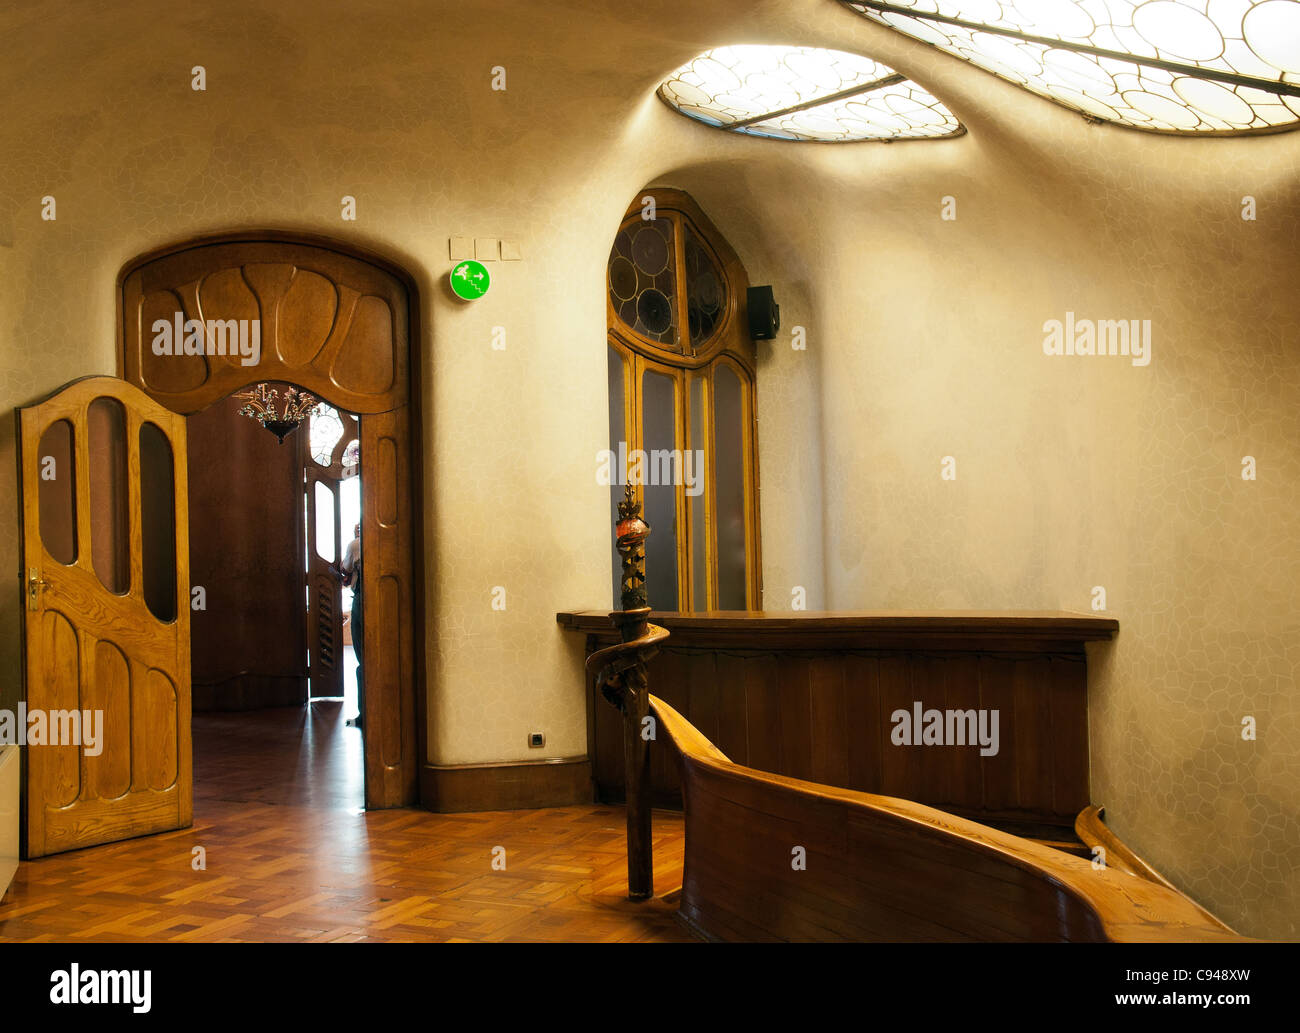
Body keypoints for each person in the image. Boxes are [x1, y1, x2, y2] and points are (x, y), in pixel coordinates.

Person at [340, 523, 363, 729]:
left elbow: (345, 568)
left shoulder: (355, 545)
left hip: (362, 600)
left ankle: (364, 714)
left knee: (362, 658)